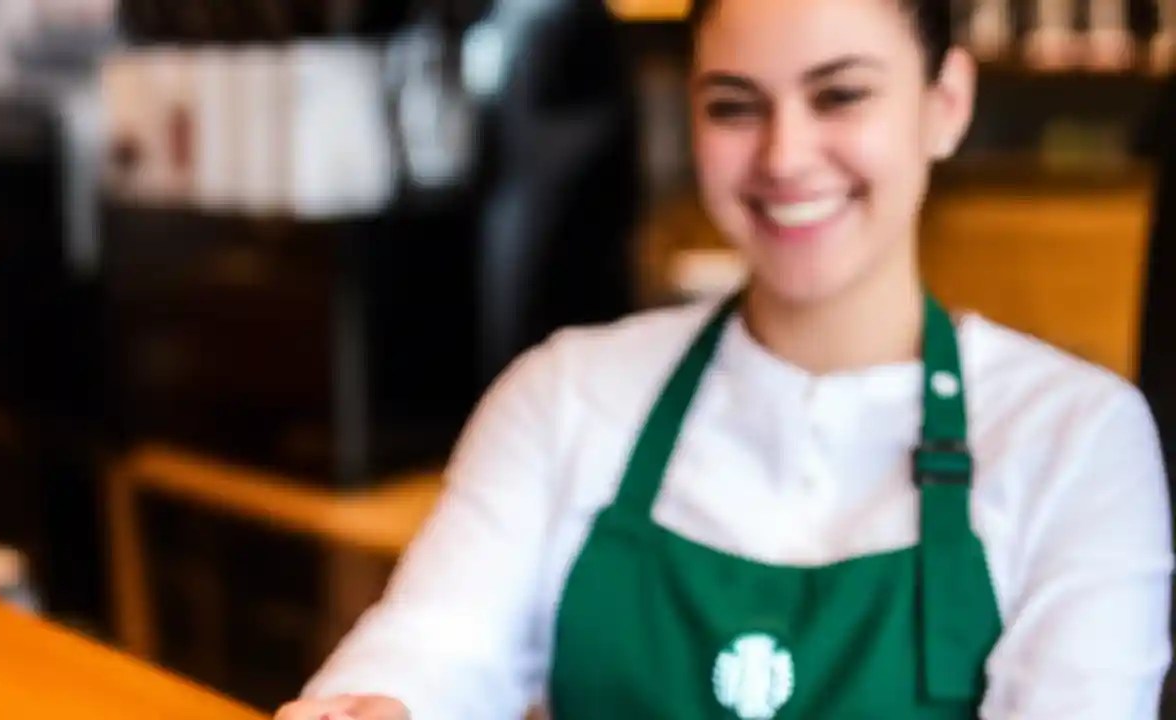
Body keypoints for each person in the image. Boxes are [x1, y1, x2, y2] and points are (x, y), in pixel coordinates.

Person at [277, 0, 1174, 718]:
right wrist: (373, 703)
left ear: (945, 104)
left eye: (841, 95)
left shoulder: (1077, 438)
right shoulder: (565, 395)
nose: (784, 156)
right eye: (734, 105)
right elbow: (436, 645)